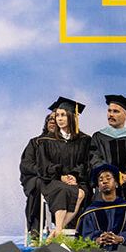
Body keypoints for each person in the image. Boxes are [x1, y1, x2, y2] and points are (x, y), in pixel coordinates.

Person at [29, 97, 92, 235]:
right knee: (63, 190)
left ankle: (56, 231)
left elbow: (86, 163)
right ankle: (58, 231)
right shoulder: (46, 141)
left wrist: (74, 176)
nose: (59, 118)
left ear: (72, 116)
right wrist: (61, 176)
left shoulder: (85, 140)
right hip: (52, 180)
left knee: (81, 193)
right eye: (57, 115)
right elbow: (43, 165)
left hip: (76, 180)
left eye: (63, 115)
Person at [88, 94, 126, 209]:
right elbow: (94, 158)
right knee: (103, 186)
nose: (111, 114)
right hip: (105, 177)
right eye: (109, 111)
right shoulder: (98, 136)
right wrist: (109, 175)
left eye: (116, 111)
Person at [75, 164, 126, 250]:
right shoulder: (91, 211)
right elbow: (84, 236)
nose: (104, 181)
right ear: (98, 187)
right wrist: (97, 240)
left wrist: (120, 239)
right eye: (100, 180)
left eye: (108, 178)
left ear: (116, 183)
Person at [19, 112, 57, 237]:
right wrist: (43, 171)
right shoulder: (35, 142)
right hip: (40, 180)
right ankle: (35, 229)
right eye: (49, 119)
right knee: (38, 183)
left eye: (56, 118)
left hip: (58, 180)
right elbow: (26, 165)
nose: (52, 121)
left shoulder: (68, 144)